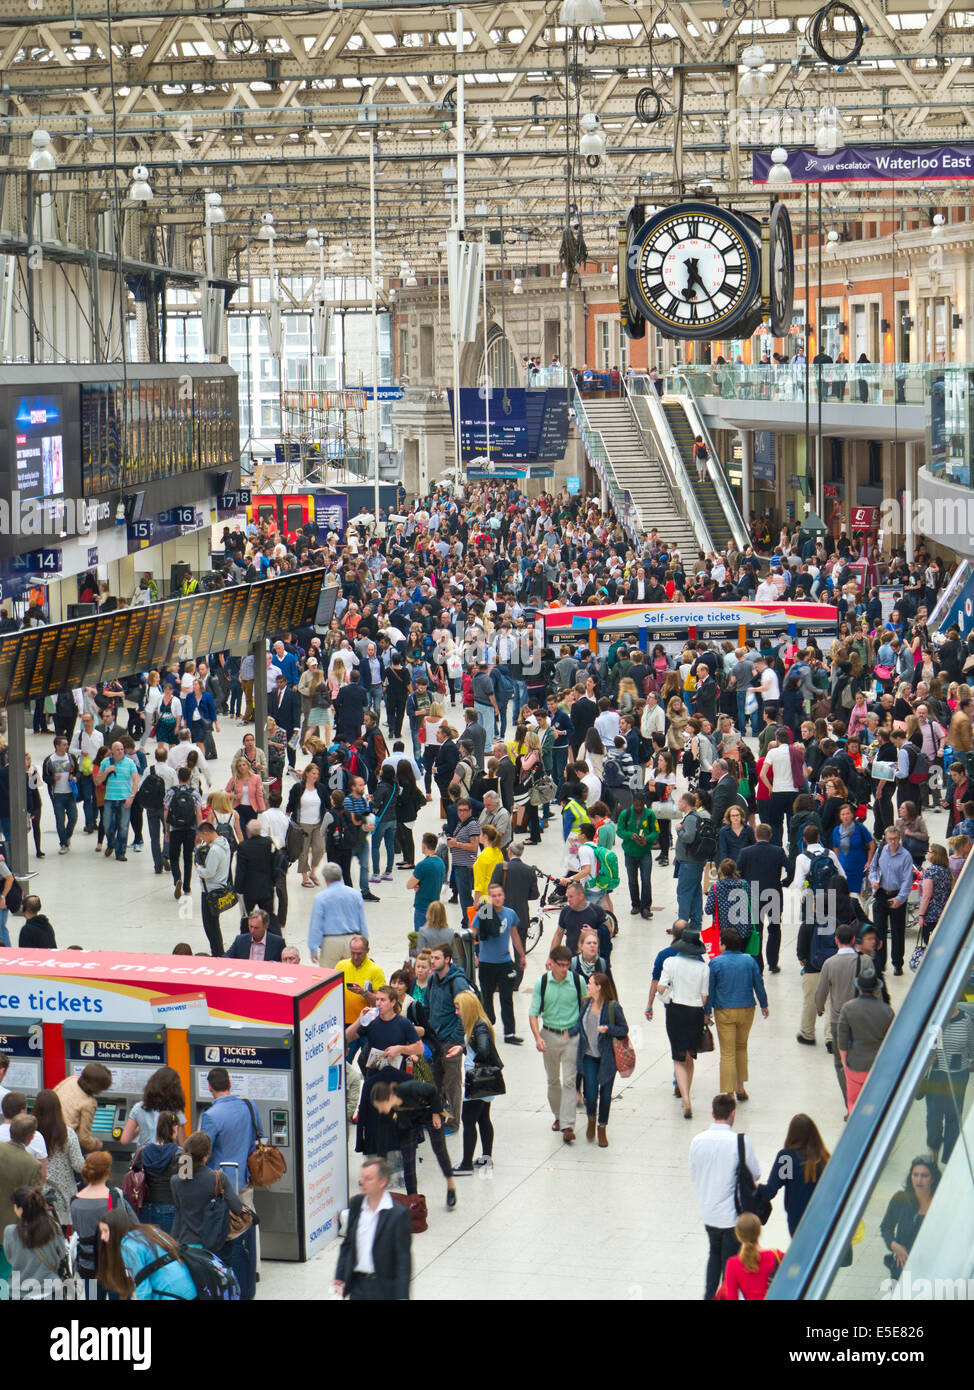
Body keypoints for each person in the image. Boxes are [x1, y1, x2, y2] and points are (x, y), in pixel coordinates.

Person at [689, 1093, 761, 1302]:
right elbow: (756, 1174)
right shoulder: (740, 1142)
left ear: (713, 1114)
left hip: (708, 1212)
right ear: (733, 1114)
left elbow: (693, 1174)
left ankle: (709, 1296)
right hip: (732, 1215)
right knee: (730, 1262)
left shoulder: (697, 1140)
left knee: (714, 1253)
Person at [333, 1157, 412, 1301]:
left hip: (384, 1289)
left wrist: (402, 1296)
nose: (361, 1182)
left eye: (368, 1178)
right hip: (358, 1286)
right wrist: (340, 1276)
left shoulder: (398, 1214)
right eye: (361, 1177)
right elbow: (348, 1244)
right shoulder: (356, 1204)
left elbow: (403, 1259)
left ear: (382, 1182)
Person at [369, 1080, 457, 1208]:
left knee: (439, 1149)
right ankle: (413, 1201)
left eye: (381, 1106)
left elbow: (432, 1090)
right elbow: (382, 1140)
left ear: (391, 1097)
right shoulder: (386, 1113)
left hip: (429, 1111)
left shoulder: (408, 1089)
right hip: (408, 1122)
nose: (380, 1110)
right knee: (407, 1160)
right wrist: (381, 1166)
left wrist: (436, 1114)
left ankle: (451, 1186)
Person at [529, 945, 584, 1143]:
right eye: (560, 965)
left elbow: (585, 1007)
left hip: (571, 1037)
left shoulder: (577, 981)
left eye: (567, 965)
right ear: (551, 963)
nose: (564, 969)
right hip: (549, 1034)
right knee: (553, 1080)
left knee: (569, 1081)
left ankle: (568, 1125)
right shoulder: (542, 983)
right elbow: (533, 1013)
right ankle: (558, 1116)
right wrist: (538, 1037)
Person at [706, 930, 769, 1102]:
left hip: (724, 1010)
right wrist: (764, 1004)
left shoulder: (716, 963)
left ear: (724, 944)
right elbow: (758, 984)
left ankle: (729, 1092)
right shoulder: (749, 961)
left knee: (727, 1053)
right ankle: (740, 1087)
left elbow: (710, 989)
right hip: (747, 1008)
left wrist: (706, 1011)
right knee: (741, 1047)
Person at [449, 990, 505, 1175]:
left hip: (477, 1080)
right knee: (483, 1118)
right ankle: (486, 1159)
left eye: (458, 1008)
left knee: (468, 1120)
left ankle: (466, 1164)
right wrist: (462, 1048)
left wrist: (473, 1061)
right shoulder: (480, 1023)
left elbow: (483, 1050)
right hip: (485, 1082)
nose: (456, 1012)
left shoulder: (479, 1026)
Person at [658, 928, 710, 1118]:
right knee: (689, 1056)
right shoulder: (703, 968)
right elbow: (704, 997)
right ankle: (688, 1092)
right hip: (695, 1012)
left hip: (676, 1011)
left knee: (678, 1057)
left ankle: (686, 1098)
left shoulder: (670, 962)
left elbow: (661, 987)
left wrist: (668, 994)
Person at [96, 1208, 199, 1301]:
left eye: (105, 1231)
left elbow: (143, 1287)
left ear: (116, 1228)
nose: (102, 1237)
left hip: (169, 1293)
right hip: (190, 1288)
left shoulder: (128, 1247)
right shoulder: (149, 1231)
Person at [70, 1150, 135, 1295]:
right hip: (115, 1264)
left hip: (88, 1265)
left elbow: (76, 1229)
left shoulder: (74, 1202)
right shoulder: (115, 1198)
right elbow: (133, 1226)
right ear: (107, 1172)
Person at [576, 970, 628, 1147]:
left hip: (607, 1058)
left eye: (590, 983)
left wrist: (608, 1029)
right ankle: (591, 1120)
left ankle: (602, 1127)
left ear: (599, 987)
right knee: (590, 1094)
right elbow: (579, 1024)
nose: (587, 985)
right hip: (589, 1055)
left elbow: (624, 1029)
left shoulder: (613, 1007)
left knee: (605, 1095)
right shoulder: (586, 1003)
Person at [471, 880, 526, 1045]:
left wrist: (521, 955)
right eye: (493, 896)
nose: (497, 898)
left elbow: (514, 935)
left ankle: (510, 1033)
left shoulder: (510, 914)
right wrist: (473, 954)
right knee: (486, 998)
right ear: (490, 898)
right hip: (486, 963)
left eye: (499, 895)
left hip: (504, 962)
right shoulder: (485, 912)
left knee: (507, 998)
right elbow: (473, 933)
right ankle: (486, 1030)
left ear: (504, 896)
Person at [758, 1113, 831, 1235]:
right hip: (821, 1217)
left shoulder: (787, 1158)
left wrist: (755, 1185)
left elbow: (771, 1191)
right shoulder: (823, 1157)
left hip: (797, 1219)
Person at [171, 1129, 244, 1249]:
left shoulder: (176, 1181)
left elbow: (180, 1209)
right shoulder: (219, 1178)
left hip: (184, 1244)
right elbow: (237, 1208)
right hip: (212, 1244)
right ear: (207, 1155)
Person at [813, 924, 862, 1103]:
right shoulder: (865, 962)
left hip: (837, 1019)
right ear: (853, 940)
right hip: (860, 1018)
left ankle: (849, 1100)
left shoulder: (829, 963)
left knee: (840, 1062)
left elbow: (821, 991)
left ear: (836, 940)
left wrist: (819, 1008)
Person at [837, 966, 895, 1114]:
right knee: (876, 1104)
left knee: (853, 1102)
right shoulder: (887, 1011)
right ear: (876, 989)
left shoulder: (848, 1008)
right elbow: (891, 1042)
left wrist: (845, 1062)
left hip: (855, 1064)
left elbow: (842, 1040)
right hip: (878, 1066)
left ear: (859, 987)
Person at [922, 1000, 974, 1164]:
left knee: (953, 1116)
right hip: (936, 1075)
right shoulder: (935, 1021)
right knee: (934, 1117)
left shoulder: (966, 1020)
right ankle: (933, 1153)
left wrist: (969, 1063)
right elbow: (927, 1048)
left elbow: (972, 1047)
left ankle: (948, 1158)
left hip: (958, 1075)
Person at [425, 944, 469, 1127]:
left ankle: (453, 1121)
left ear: (447, 959)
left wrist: (455, 1037)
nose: (433, 961)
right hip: (435, 1040)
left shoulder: (457, 982)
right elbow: (427, 1007)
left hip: (450, 1042)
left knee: (452, 1083)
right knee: (436, 1082)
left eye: (437, 958)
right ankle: (438, 1117)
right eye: (432, 958)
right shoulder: (432, 979)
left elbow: (465, 1011)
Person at [199, 1067, 258, 1201]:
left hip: (220, 1184)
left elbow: (204, 1151)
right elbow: (258, 1134)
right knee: (246, 1213)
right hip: (245, 1177)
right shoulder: (250, 1106)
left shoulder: (210, 1115)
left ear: (210, 1087)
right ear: (230, 1084)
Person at [880, 1157, 941, 1281]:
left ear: (933, 1179)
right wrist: (894, 1245)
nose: (919, 1180)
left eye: (924, 1176)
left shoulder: (940, 1202)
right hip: (903, 1267)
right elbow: (886, 1227)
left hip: (932, 1268)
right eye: (915, 1175)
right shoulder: (900, 1199)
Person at [3, 1186, 69, 1295]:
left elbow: (10, 1259)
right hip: (50, 1288)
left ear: (20, 1209)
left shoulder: (10, 1231)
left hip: (20, 1291)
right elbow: (61, 1253)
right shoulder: (53, 1227)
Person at [867, 825, 915, 975]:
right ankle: (879, 964)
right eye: (890, 839)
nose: (893, 842)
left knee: (897, 932)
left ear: (899, 839)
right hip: (881, 894)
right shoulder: (881, 851)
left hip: (897, 895)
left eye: (895, 839)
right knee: (878, 931)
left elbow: (907, 881)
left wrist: (900, 899)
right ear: (886, 839)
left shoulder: (906, 856)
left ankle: (897, 964)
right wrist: (873, 880)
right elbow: (873, 868)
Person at [32, 1089, 83, 1230]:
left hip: (38, 1195)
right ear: (58, 1109)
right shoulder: (68, 1134)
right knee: (62, 1238)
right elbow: (78, 1165)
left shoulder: (31, 1134)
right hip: (64, 1197)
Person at [307, 862, 370, 968]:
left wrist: (313, 947)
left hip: (330, 942)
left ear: (325, 878)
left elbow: (316, 925)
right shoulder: (355, 894)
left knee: (329, 976)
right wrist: (365, 942)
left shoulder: (321, 897)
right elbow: (362, 921)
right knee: (352, 974)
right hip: (352, 940)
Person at [718, 1213, 783, 1301]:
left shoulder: (733, 1263)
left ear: (738, 1236)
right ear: (759, 1232)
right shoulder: (776, 1255)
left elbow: (732, 1297)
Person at [120, 1066, 187, 1149]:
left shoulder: (138, 1108)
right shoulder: (176, 1111)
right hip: (167, 1156)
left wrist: (141, 1127)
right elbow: (182, 1144)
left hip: (144, 1156)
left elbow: (124, 1140)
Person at [616, 790, 659, 919]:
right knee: (632, 880)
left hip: (645, 852)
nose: (638, 807)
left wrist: (647, 839)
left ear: (644, 803)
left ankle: (645, 907)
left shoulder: (650, 815)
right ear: (633, 802)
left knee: (646, 880)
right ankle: (635, 904)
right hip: (629, 852)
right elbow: (619, 831)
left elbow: (656, 831)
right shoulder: (625, 814)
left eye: (641, 805)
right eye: (636, 804)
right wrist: (630, 835)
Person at [54, 1062, 113, 1154]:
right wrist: (96, 1144)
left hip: (47, 1133)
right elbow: (83, 1138)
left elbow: (53, 1094)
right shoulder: (89, 1103)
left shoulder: (71, 1079)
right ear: (97, 1087)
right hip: (63, 1143)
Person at [195, 820, 232, 957]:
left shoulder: (215, 850)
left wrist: (198, 868)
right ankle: (218, 951)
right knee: (214, 924)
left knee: (210, 926)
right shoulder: (225, 843)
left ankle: (217, 953)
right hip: (220, 887)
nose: (202, 840)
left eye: (202, 837)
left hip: (210, 891)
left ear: (206, 832)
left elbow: (209, 872)